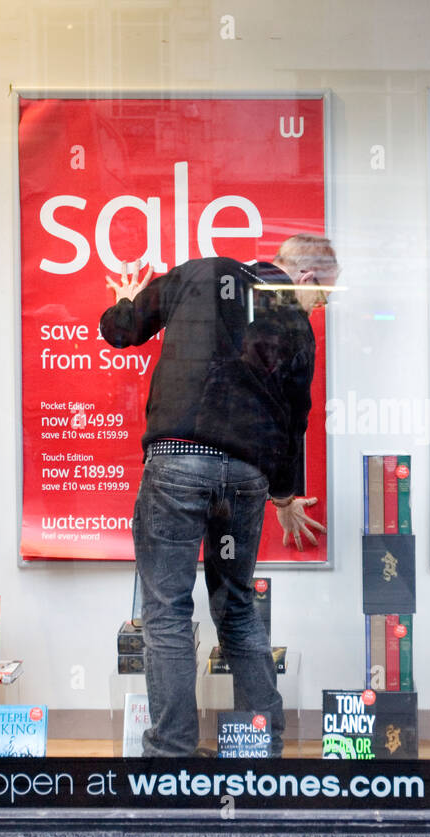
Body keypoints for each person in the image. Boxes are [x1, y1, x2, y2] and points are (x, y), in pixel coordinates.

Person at [100, 235, 337, 757]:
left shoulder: (202, 272)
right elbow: (294, 419)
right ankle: (261, 746)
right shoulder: (296, 323)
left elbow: (122, 331)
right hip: (246, 476)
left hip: (177, 463)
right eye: (321, 301)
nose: (316, 312)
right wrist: (282, 495)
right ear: (308, 280)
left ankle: (172, 753)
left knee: (166, 613)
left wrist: (124, 300)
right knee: (236, 610)